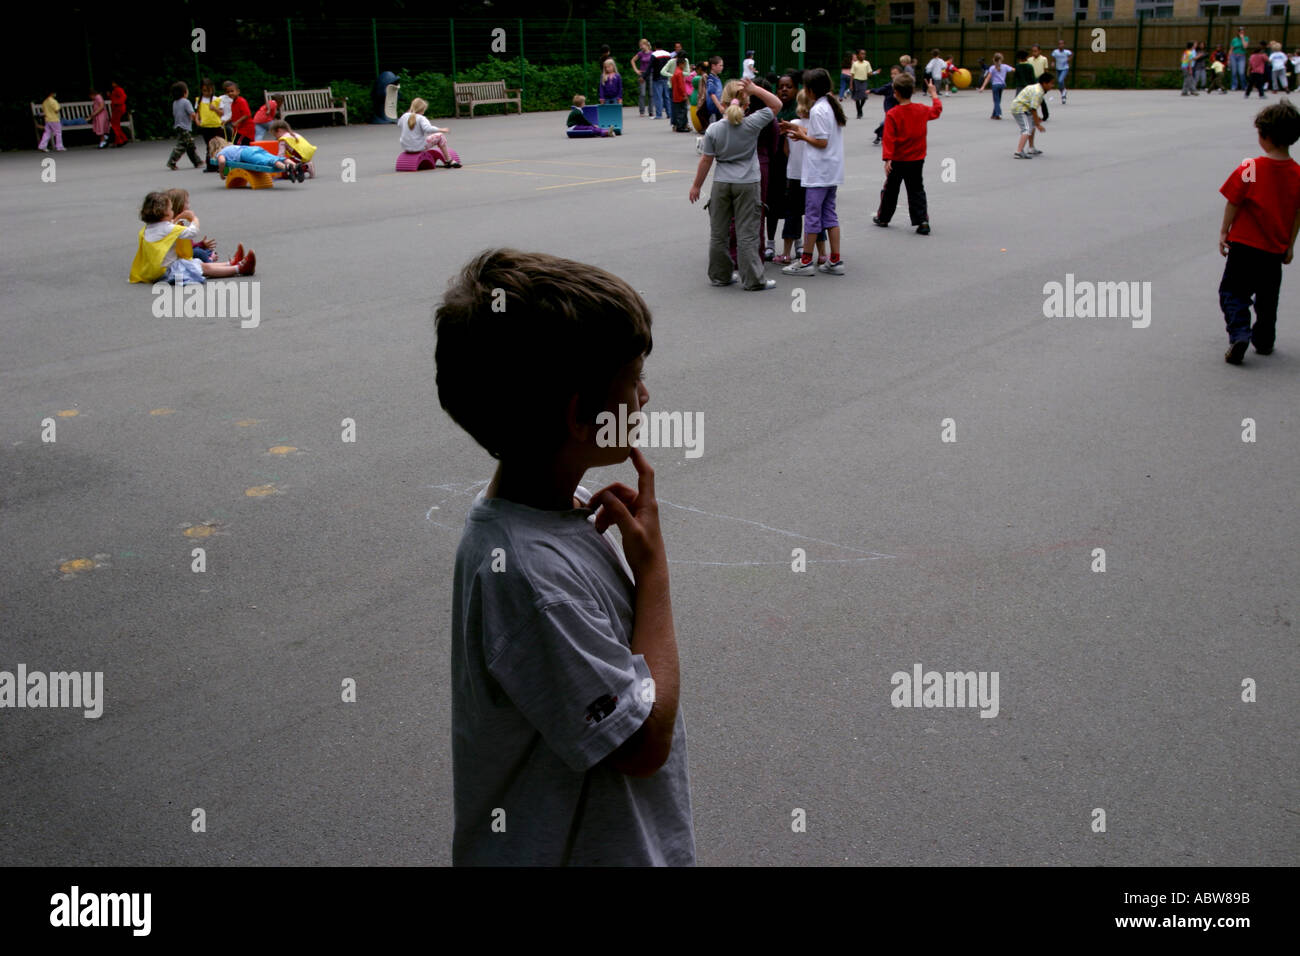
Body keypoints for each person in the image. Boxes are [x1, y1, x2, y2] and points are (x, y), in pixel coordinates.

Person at [434, 248, 695, 867]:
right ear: (581, 415)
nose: (646, 395)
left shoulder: (551, 510)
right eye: (633, 378)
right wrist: (653, 576)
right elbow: (641, 742)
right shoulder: (533, 574)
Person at [1217, 100, 1300, 364]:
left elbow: (1234, 200)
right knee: (1267, 298)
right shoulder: (1297, 174)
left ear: (1264, 136)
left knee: (1232, 292)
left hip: (1243, 246)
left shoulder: (1251, 168)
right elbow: (1298, 214)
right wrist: (1290, 245)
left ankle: (1240, 332)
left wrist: (1224, 231)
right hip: (1274, 249)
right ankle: (1264, 340)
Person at [688, 78, 782, 290]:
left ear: (723, 101)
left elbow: (706, 160)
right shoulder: (752, 123)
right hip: (748, 182)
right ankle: (753, 279)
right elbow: (776, 105)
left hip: (722, 182)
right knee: (747, 232)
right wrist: (755, 88)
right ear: (746, 103)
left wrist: (696, 186)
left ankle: (720, 275)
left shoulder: (714, 129)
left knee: (719, 232)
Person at [780, 67, 847, 277]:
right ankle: (835, 260)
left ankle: (806, 260)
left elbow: (821, 141)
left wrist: (802, 137)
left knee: (812, 215)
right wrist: (799, 130)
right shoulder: (829, 106)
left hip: (819, 172)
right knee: (829, 214)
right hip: (831, 171)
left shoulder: (818, 110)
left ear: (810, 90)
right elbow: (820, 134)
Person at [129, 191, 254, 284]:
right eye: (171, 209)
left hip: (153, 272)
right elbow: (192, 232)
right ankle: (239, 269)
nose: (172, 211)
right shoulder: (168, 228)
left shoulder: (146, 229)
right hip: (168, 270)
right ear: (164, 212)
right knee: (203, 267)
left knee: (198, 263)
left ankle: (230, 263)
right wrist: (194, 219)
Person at [873, 74, 941, 235]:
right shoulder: (921, 109)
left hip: (898, 159)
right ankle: (922, 221)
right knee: (917, 189)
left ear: (895, 92)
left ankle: (883, 218)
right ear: (912, 91)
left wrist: (887, 158)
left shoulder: (893, 114)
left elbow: (889, 139)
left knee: (890, 190)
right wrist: (933, 93)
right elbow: (936, 111)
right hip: (917, 158)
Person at [777, 88, 828, 265]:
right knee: (816, 214)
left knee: (793, 213)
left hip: (795, 173)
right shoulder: (816, 124)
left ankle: (786, 252)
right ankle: (822, 252)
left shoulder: (793, 123)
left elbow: (786, 150)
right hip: (814, 175)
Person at [765, 72, 799, 260]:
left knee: (794, 206)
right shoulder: (772, 110)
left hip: (793, 163)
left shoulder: (799, 110)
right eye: (781, 86)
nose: (784, 89)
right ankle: (770, 243)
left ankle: (797, 241)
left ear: (796, 89)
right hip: (775, 163)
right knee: (772, 204)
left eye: (789, 86)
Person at [163, 188, 230, 265]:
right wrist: (194, 219)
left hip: (183, 252)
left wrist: (202, 244)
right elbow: (190, 241)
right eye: (187, 203)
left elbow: (189, 244)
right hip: (177, 255)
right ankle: (210, 263)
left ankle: (209, 257)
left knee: (205, 250)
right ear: (179, 205)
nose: (189, 205)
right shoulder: (174, 224)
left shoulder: (178, 221)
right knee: (199, 252)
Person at [399, 98, 463, 165]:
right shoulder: (421, 118)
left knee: (422, 138)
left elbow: (399, 124)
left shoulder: (404, 116)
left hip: (406, 147)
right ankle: (448, 160)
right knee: (440, 136)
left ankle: (448, 160)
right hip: (418, 147)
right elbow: (428, 129)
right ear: (423, 109)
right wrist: (442, 130)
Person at [209, 136, 305, 180]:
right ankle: (295, 165)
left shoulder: (220, 153)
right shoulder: (231, 146)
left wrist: (221, 173)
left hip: (245, 153)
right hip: (254, 148)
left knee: (267, 161)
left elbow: (222, 162)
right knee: (275, 157)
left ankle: (287, 168)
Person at [1011, 71, 1055, 159]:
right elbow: (1033, 109)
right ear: (1044, 83)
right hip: (1020, 109)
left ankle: (1031, 148)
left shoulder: (1038, 88)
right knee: (1026, 129)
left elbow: (1032, 107)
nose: (1052, 86)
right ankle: (1019, 151)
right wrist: (1038, 124)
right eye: (1051, 83)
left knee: (1032, 125)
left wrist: (1036, 120)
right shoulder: (1038, 92)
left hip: (1024, 107)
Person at [166, 81, 204, 170]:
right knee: (182, 146)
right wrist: (198, 120)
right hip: (185, 127)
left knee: (189, 145)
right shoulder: (186, 102)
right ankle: (172, 161)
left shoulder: (175, 103)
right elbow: (192, 113)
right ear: (184, 92)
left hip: (178, 126)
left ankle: (197, 161)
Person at [195, 78, 224, 170]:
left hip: (216, 125)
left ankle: (218, 164)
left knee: (218, 145)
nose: (207, 93)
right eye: (204, 91)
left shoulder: (217, 100)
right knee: (209, 146)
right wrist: (197, 120)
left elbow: (221, 113)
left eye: (209, 90)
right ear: (201, 90)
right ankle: (210, 165)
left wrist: (215, 109)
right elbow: (197, 112)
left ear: (212, 89)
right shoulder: (199, 100)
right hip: (205, 126)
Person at [871, 64, 903, 145]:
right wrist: (872, 90)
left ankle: (881, 134)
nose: (893, 75)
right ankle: (880, 134)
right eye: (892, 74)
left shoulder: (903, 85)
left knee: (892, 122)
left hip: (899, 106)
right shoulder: (890, 85)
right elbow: (880, 90)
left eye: (895, 73)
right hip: (889, 106)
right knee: (889, 121)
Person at [979, 52, 1013, 119]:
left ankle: (998, 114)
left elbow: (988, 78)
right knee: (998, 100)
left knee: (996, 101)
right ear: (1002, 59)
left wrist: (982, 87)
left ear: (994, 59)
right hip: (1002, 85)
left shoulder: (992, 68)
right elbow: (1013, 69)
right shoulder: (1005, 66)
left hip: (995, 85)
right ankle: (994, 114)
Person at [631, 39, 654, 116]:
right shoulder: (640, 53)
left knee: (651, 93)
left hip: (650, 74)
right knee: (642, 93)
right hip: (642, 74)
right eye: (640, 46)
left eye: (642, 45)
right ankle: (642, 111)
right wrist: (636, 70)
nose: (641, 47)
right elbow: (632, 60)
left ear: (646, 45)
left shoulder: (652, 53)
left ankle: (651, 111)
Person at [669, 54, 691, 132]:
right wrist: (684, 94)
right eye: (684, 64)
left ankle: (679, 125)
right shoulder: (679, 73)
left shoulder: (675, 72)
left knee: (678, 111)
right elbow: (681, 86)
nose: (685, 66)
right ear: (681, 64)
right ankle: (680, 127)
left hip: (675, 95)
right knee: (682, 111)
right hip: (680, 96)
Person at [850, 49, 874, 118]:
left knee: (864, 96)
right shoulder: (854, 64)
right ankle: (859, 113)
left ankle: (860, 108)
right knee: (857, 98)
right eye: (862, 54)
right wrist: (851, 84)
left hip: (864, 81)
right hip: (856, 81)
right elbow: (852, 75)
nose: (863, 55)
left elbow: (869, 73)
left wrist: (872, 73)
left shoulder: (867, 63)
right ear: (857, 55)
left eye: (864, 54)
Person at [1028, 45, 1050, 120]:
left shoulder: (1044, 59)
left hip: (1040, 80)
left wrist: (1046, 81)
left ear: (1040, 51)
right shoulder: (1029, 60)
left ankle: (1045, 114)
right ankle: (1031, 114)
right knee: (1032, 98)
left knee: (1040, 98)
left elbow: (1046, 70)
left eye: (1036, 51)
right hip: (1032, 79)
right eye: (1033, 51)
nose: (1034, 53)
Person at [703, 55, 725, 127]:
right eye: (720, 65)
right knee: (714, 128)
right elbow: (712, 94)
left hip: (718, 109)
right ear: (713, 66)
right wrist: (719, 106)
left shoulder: (716, 78)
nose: (722, 67)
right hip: (714, 110)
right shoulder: (711, 79)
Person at [1230, 27, 1251, 92]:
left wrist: (1242, 39)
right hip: (1233, 56)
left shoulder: (1246, 38)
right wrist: (1229, 58)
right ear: (1238, 32)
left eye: (1243, 32)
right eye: (1240, 32)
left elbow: (1245, 46)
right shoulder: (1234, 40)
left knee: (1241, 72)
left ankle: (1244, 86)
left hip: (1241, 56)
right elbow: (1231, 49)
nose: (1242, 33)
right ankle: (1234, 86)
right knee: (1234, 72)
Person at [109, 80, 128, 147]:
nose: (112, 84)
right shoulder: (115, 90)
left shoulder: (118, 89)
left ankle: (120, 140)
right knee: (116, 125)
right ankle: (122, 139)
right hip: (116, 109)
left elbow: (123, 97)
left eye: (113, 83)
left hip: (118, 109)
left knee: (115, 124)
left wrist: (116, 103)